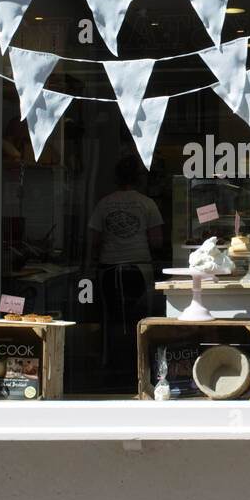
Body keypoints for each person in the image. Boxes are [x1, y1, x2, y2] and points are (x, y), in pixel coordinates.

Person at [88, 156, 164, 389]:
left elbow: (94, 239)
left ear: (116, 178)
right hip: (139, 268)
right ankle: (142, 361)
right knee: (141, 318)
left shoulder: (104, 203)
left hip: (109, 268)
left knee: (109, 318)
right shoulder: (148, 203)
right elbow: (157, 241)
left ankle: (108, 360)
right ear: (139, 179)